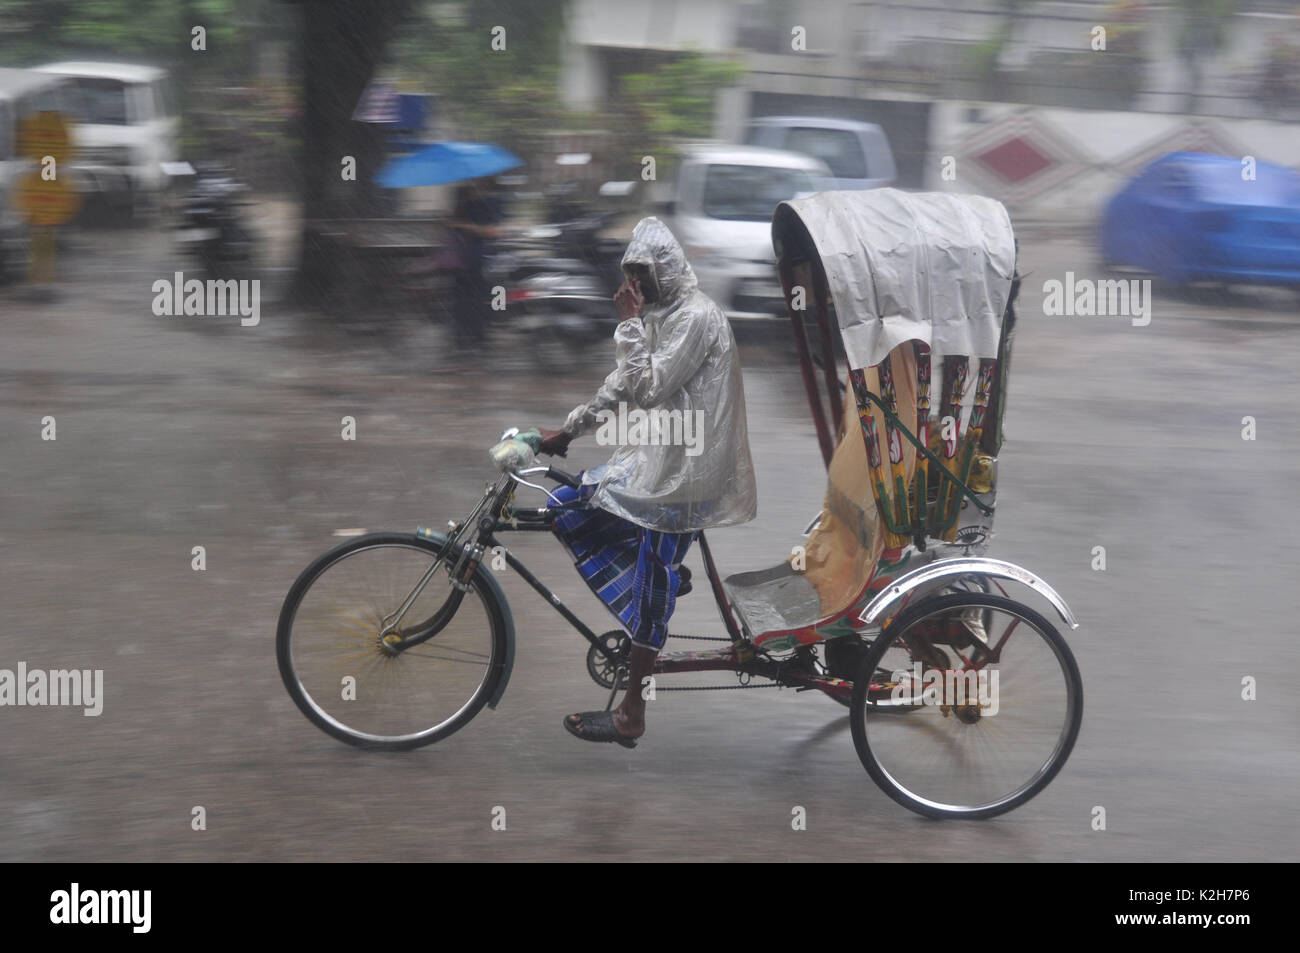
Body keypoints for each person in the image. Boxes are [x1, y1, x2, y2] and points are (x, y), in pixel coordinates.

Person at [536, 217, 758, 748]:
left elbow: (651, 388)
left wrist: (630, 324)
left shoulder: (697, 317)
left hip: (688, 476)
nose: (637, 286)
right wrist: (569, 429)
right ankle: (653, 581)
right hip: (660, 458)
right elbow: (623, 383)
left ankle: (632, 712)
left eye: (644, 274)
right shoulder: (661, 315)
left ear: (668, 269)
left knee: (652, 584)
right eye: (631, 274)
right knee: (565, 505)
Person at [447, 178, 505, 346]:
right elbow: (451, 223)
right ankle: (461, 337)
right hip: (460, 258)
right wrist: (452, 220)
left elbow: (492, 231)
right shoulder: (461, 196)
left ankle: (479, 337)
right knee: (461, 300)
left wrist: (465, 225)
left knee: (479, 299)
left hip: (480, 258)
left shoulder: (492, 202)